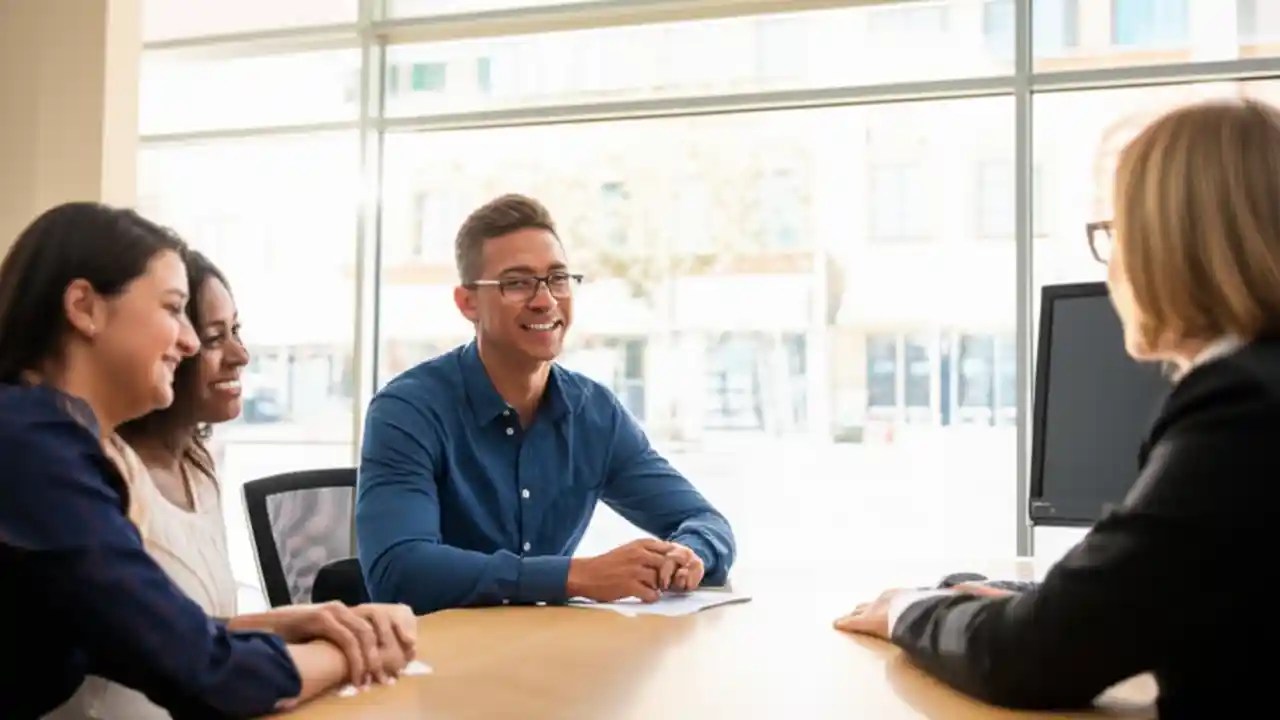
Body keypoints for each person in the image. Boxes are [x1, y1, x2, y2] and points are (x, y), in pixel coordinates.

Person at [833, 99, 1280, 716]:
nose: (1114, 264)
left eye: (1117, 232)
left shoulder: (1240, 409)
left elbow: (1035, 659)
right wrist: (1047, 603)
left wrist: (910, 609)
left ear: (1168, 245)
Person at [0, 203, 369, 718]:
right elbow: (205, 675)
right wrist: (349, 656)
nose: (190, 341)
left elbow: (135, 636)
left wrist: (281, 627)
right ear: (85, 307)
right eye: (174, 309)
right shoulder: (33, 451)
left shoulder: (42, 438)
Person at [356, 193, 736, 614]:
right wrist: (576, 576)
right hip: (439, 661)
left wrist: (686, 555)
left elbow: (706, 521)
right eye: (517, 282)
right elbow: (401, 572)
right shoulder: (408, 410)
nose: (545, 300)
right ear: (468, 303)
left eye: (557, 278)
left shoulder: (595, 413)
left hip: (549, 654)